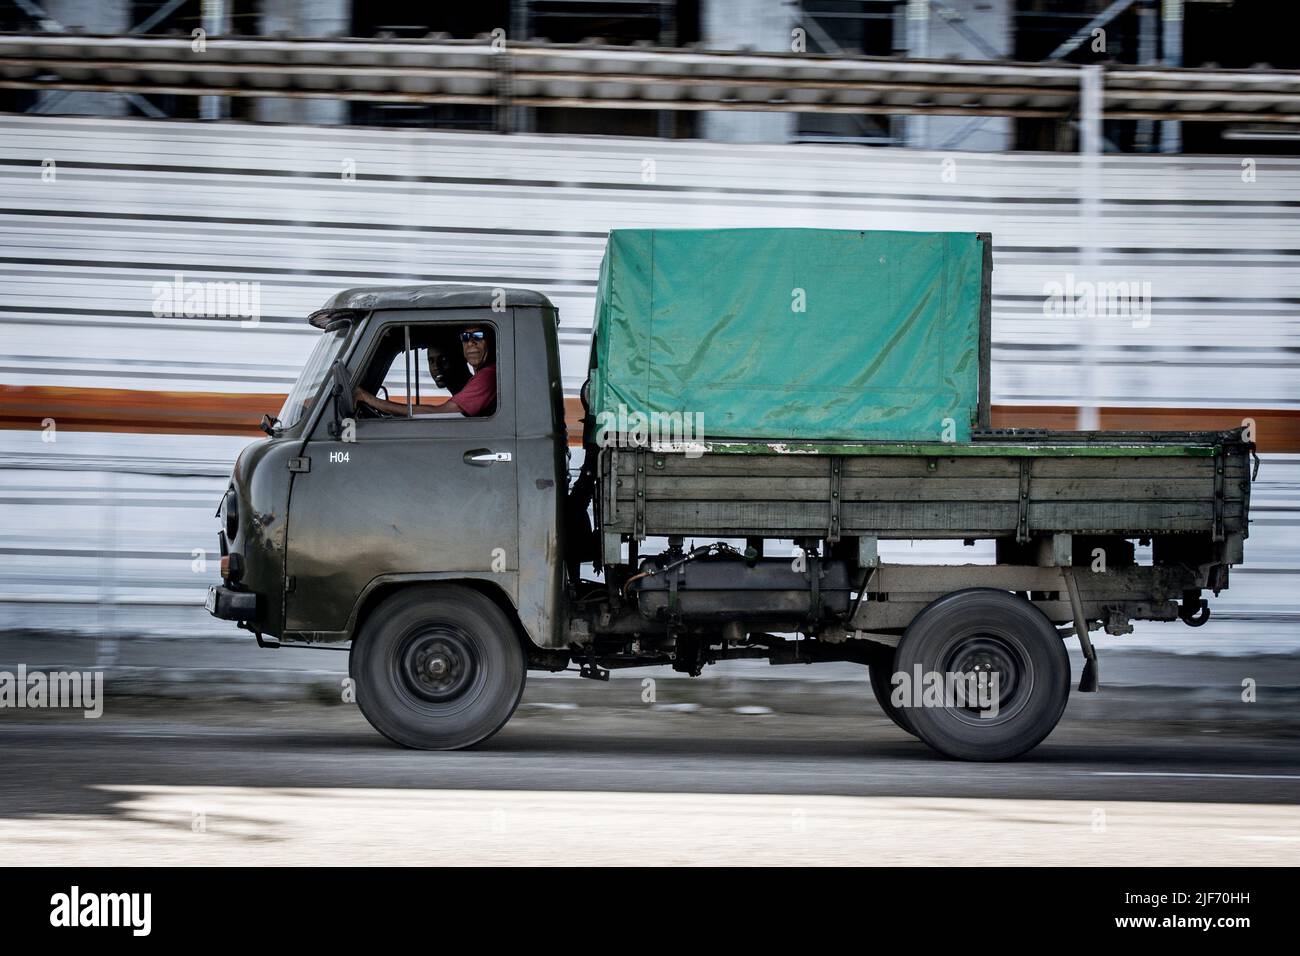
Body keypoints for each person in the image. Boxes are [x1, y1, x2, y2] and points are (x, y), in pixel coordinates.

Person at [354, 325, 496, 417]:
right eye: (465, 338)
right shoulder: (476, 380)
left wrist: (368, 398)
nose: (471, 342)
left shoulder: (488, 375)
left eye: (478, 336)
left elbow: (440, 413)